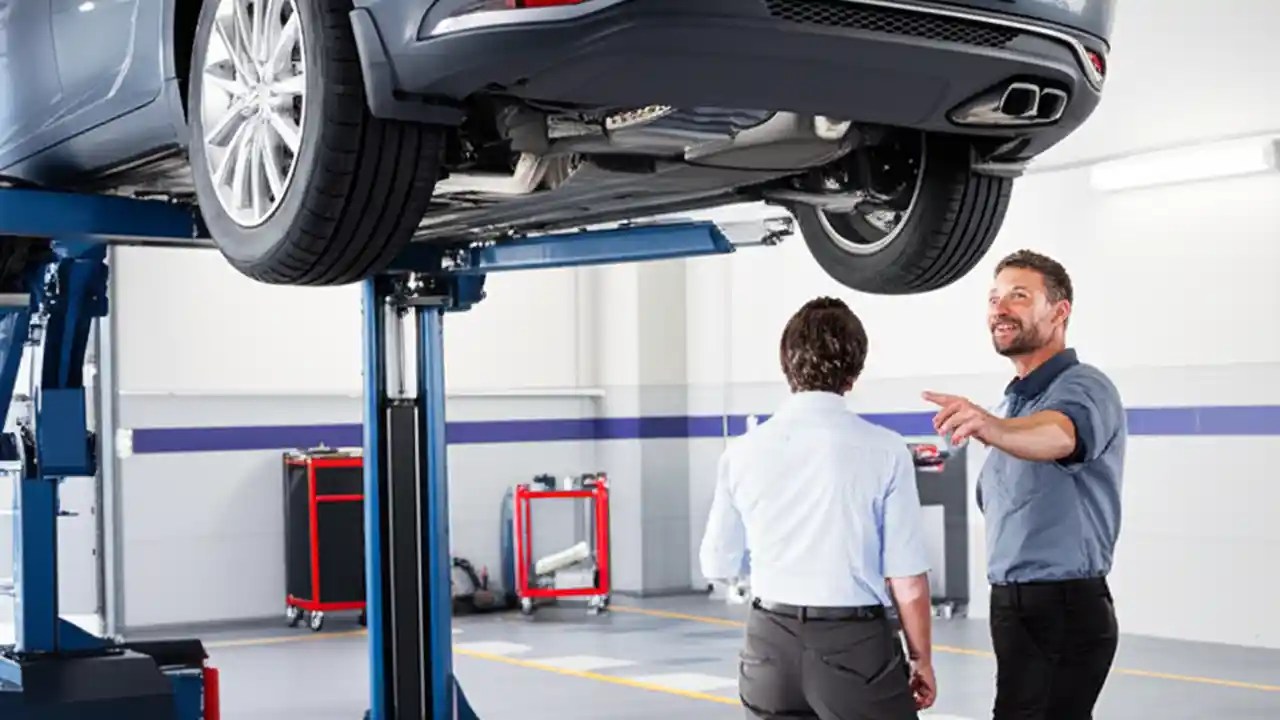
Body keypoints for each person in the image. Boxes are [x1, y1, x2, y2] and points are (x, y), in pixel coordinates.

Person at [700, 297, 936, 720]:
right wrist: (921, 660)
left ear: (786, 362)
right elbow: (909, 583)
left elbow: (716, 564)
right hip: (854, 648)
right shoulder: (885, 450)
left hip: (768, 648)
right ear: (855, 370)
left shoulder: (740, 453)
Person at [923, 249, 1126, 719]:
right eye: (994, 298)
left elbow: (1062, 434)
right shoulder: (1014, 404)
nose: (999, 308)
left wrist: (990, 427)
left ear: (1060, 311)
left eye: (1018, 295)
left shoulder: (1083, 386)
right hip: (1018, 607)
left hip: (1062, 608)